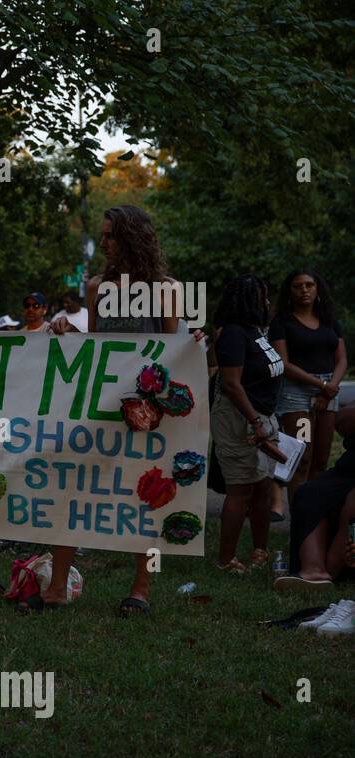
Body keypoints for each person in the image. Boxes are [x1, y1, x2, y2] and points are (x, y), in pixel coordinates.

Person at [41, 205, 185, 615]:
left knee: (144, 493)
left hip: (144, 413)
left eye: (109, 235)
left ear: (132, 238)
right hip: (98, 405)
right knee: (73, 486)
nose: (102, 243)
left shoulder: (165, 288)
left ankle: (140, 588)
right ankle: (55, 587)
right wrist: (70, 332)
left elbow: (171, 350)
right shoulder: (96, 287)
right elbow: (100, 344)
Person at [211, 276, 284, 573]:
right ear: (247, 301)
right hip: (238, 419)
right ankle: (226, 560)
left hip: (262, 415)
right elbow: (230, 383)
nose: (267, 303)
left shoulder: (256, 332)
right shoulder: (233, 334)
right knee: (240, 490)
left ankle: (259, 550)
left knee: (264, 488)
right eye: (262, 297)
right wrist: (255, 423)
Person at [270, 270, 345, 508]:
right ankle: (299, 524)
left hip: (328, 392)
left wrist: (329, 387)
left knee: (321, 461)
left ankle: (315, 519)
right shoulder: (282, 322)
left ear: (317, 289)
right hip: (296, 395)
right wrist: (321, 386)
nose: (304, 290)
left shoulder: (330, 321)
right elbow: (283, 364)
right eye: (298, 286)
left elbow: (342, 359)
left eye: (309, 285)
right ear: (289, 291)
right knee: (302, 458)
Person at [278, 406, 355, 595]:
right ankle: (313, 569)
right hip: (348, 470)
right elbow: (342, 422)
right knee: (309, 493)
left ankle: (330, 569)